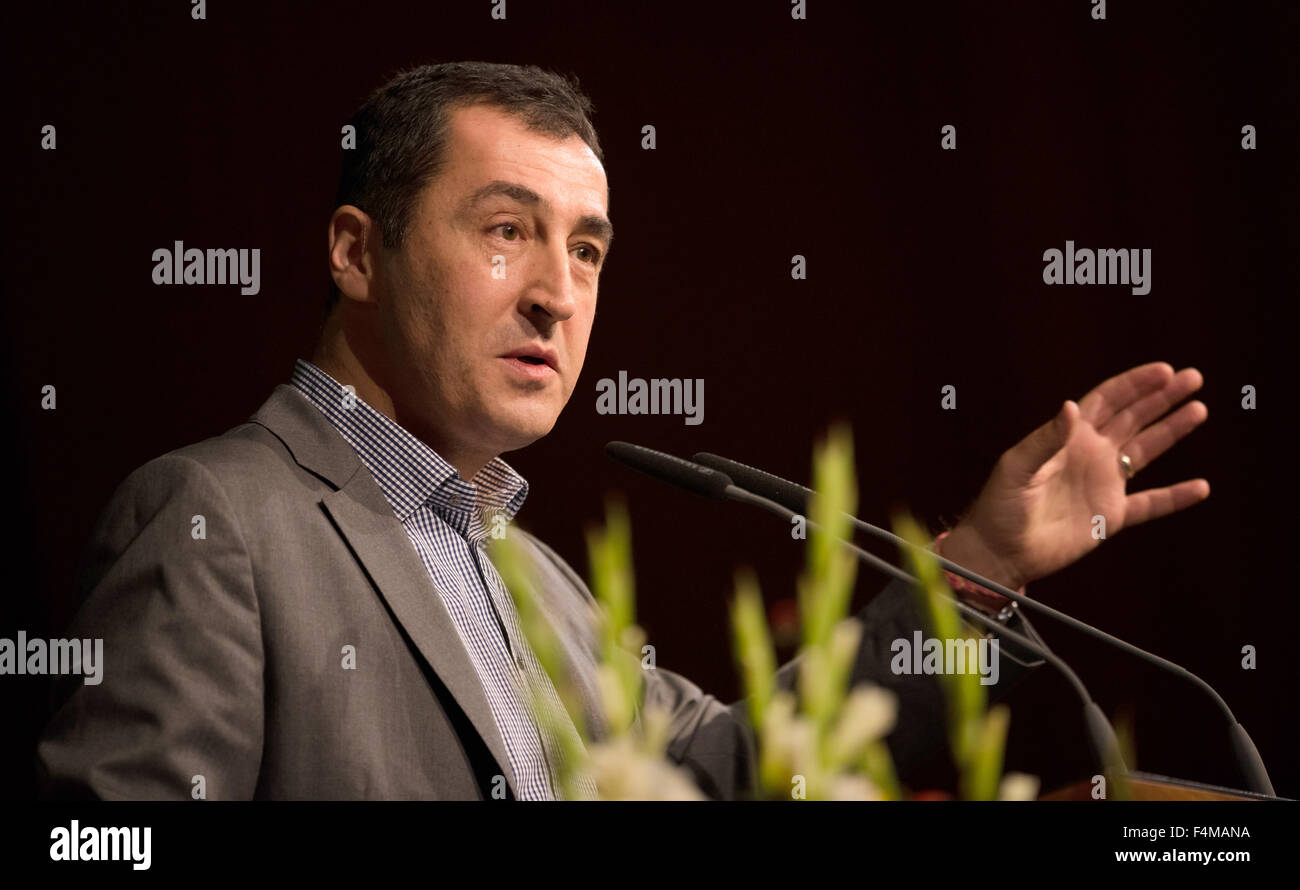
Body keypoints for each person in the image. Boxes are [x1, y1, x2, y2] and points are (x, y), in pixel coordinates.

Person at [35, 61, 1210, 800]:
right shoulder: (214, 519)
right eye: (506, 229)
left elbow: (735, 771)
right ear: (355, 251)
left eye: (586, 248)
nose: (557, 291)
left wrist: (980, 564)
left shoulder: (539, 582)